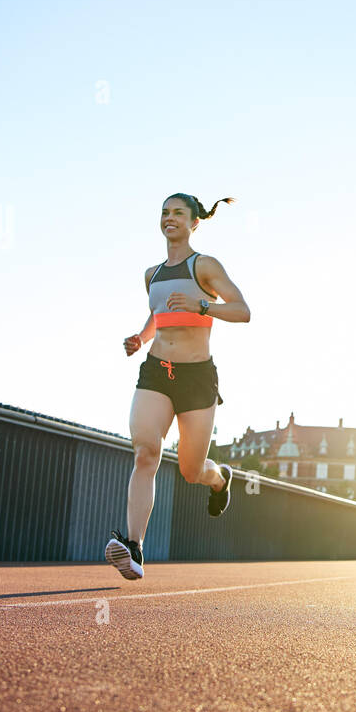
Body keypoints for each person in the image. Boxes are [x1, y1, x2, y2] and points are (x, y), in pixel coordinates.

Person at [105, 193, 252, 580]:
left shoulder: (204, 265)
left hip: (196, 378)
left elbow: (242, 311)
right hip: (157, 371)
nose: (170, 219)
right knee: (146, 452)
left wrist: (201, 305)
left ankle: (219, 478)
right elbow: (159, 314)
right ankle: (134, 548)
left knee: (190, 470)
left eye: (178, 214)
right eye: (165, 213)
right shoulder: (151, 274)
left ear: (194, 223)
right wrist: (141, 339)